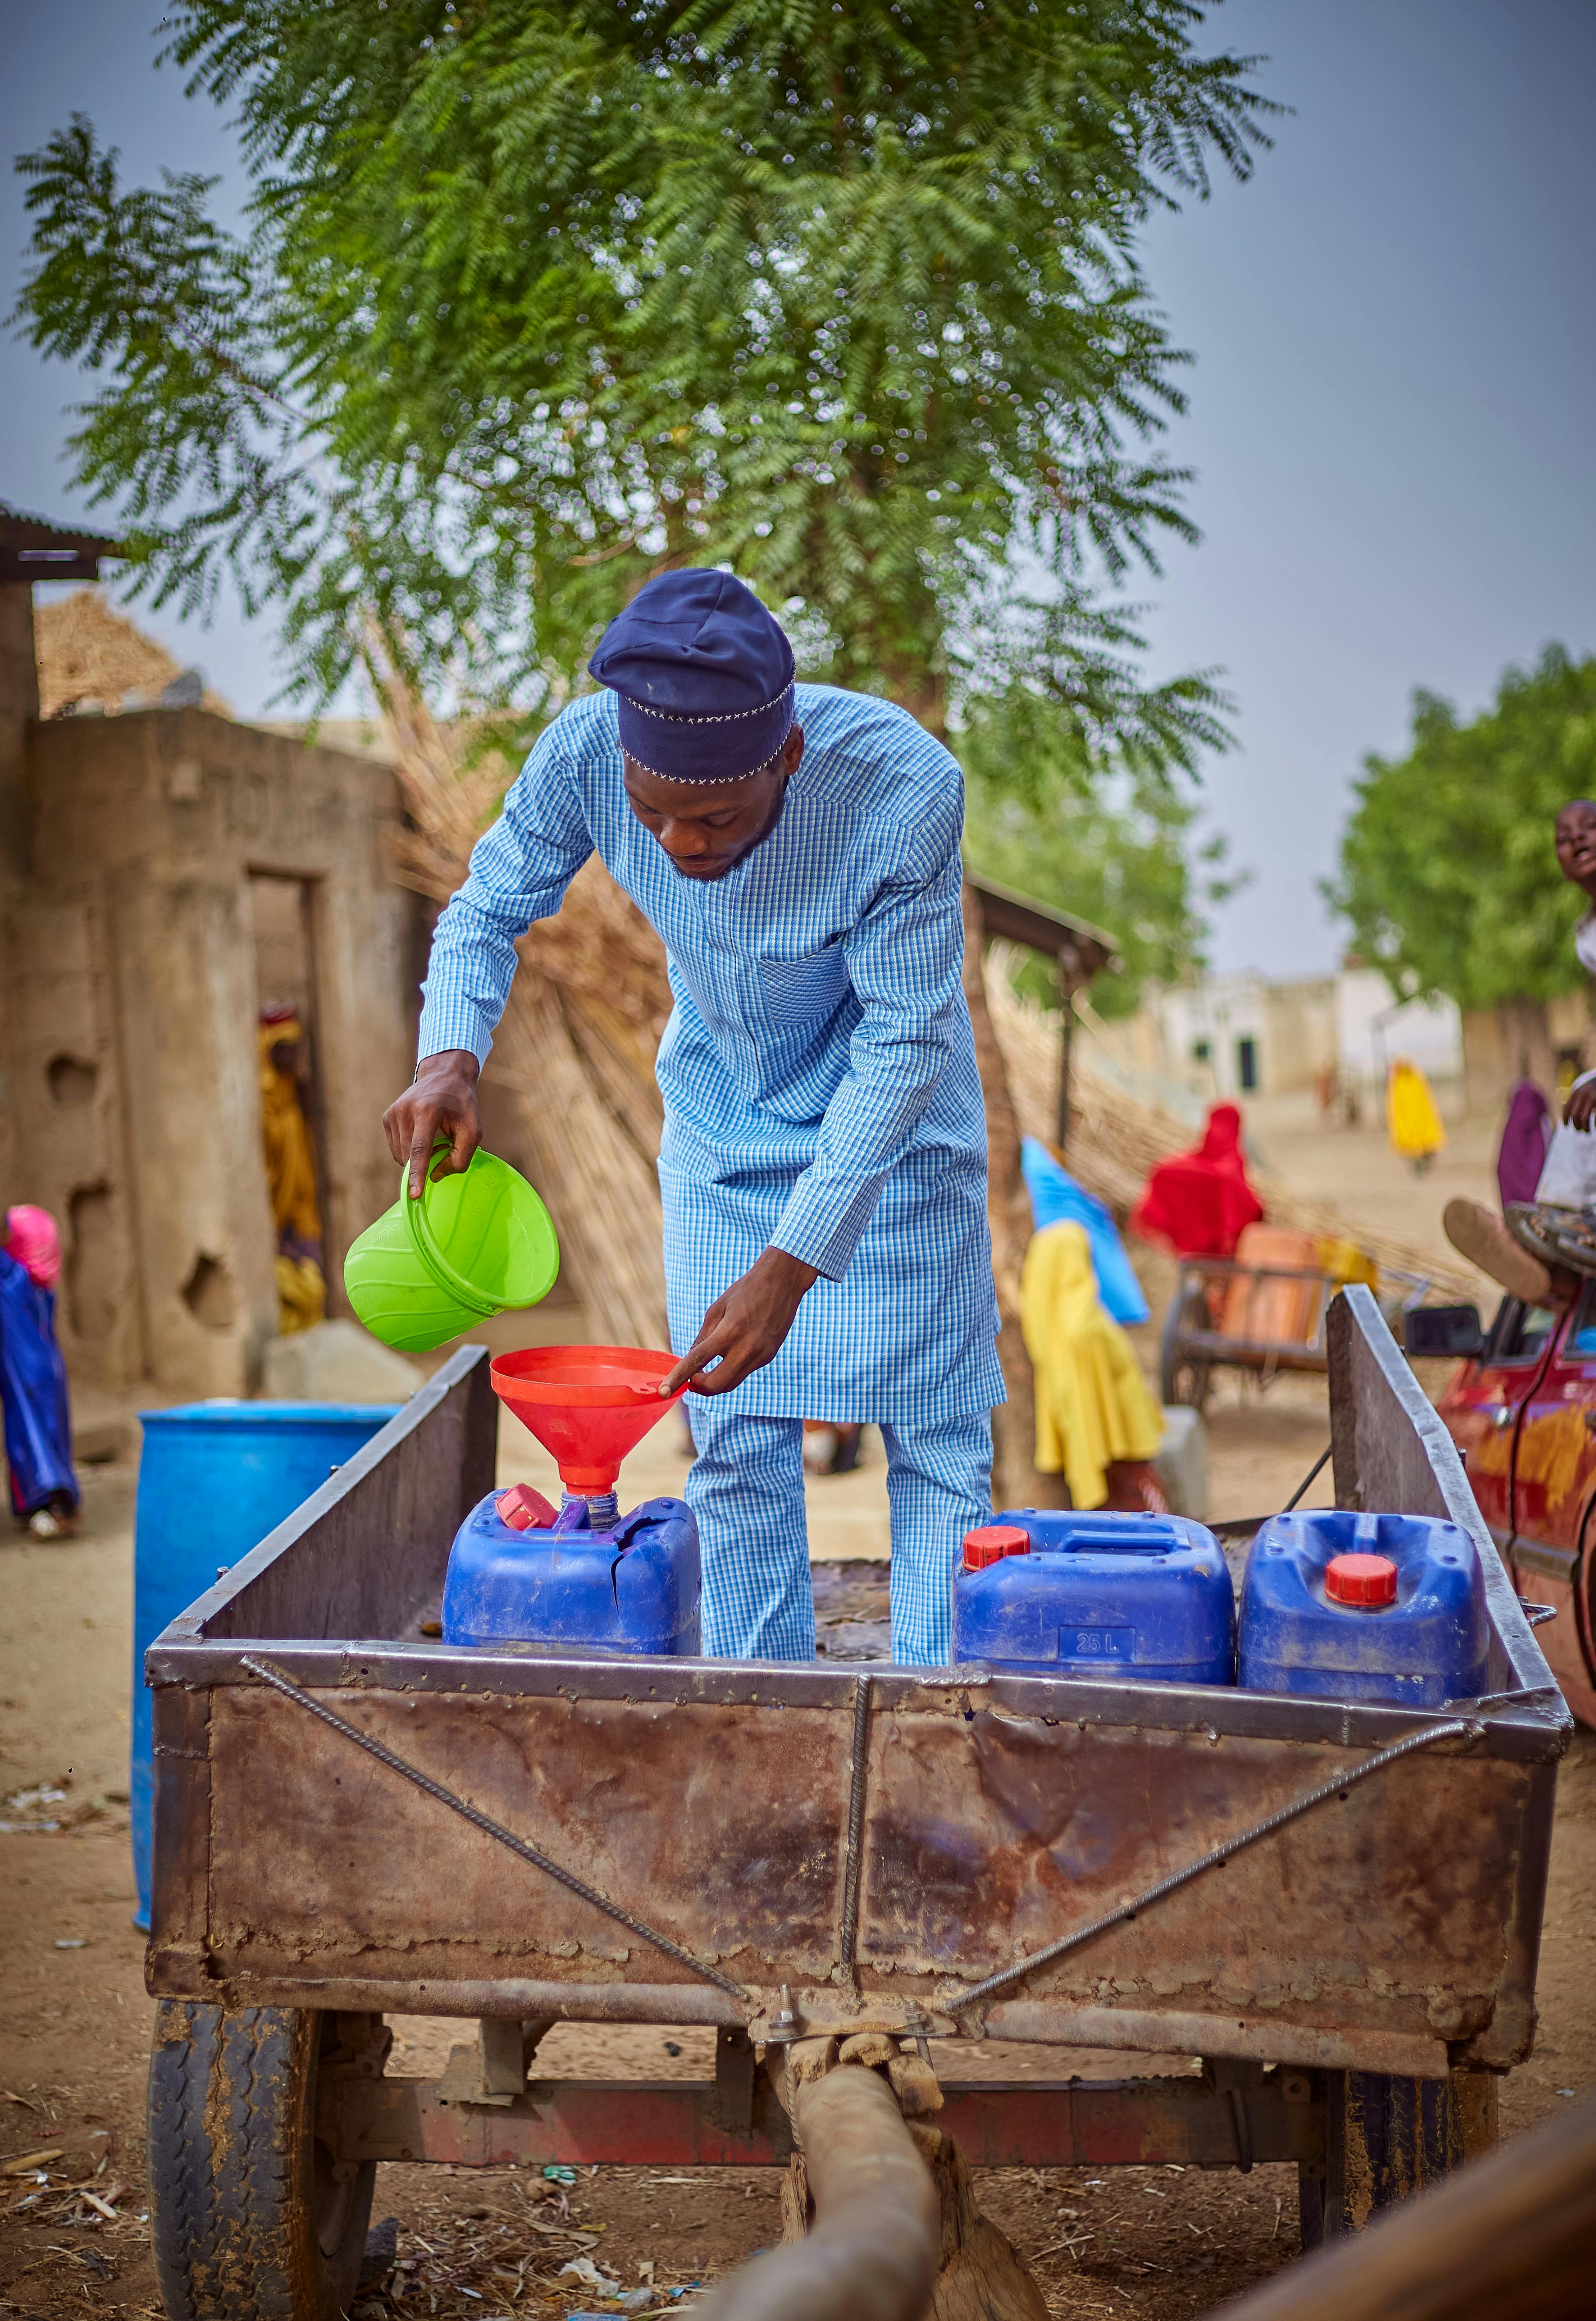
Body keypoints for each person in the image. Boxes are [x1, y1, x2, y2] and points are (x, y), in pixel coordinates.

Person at [382, 568, 1002, 1665]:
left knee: (936, 1434)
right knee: (734, 1439)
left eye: (717, 816)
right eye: (654, 811)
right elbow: (486, 905)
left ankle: (936, 1710)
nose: (680, 843)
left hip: (892, 1132)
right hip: (722, 1125)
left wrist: (795, 1260)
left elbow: (905, 1043)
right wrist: (450, 1056)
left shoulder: (902, 786)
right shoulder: (581, 754)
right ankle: (768, 1702)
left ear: (790, 760)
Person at [1020, 1220, 1167, 1514]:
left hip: (1106, 1446)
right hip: (1121, 1444)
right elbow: (1088, 1401)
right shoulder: (1084, 1325)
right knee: (1152, 1516)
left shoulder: (1049, 1324)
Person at [0, 1205, 79, 1539]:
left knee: (32, 1440)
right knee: (50, 1439)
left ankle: (52, 1507)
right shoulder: (39, 1284)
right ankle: (54, 1506)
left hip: (28, 1380)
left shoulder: (13, 1281)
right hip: (49, 1376)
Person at [258, 1007, 327, 1335]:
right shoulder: (266, 1094)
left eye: (295, 1047)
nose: (290, 1055)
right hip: (277, 1211)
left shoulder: (293, 1090)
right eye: (281, 1047)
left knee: (312, 1280)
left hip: (302, 1205)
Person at [1128, 1102, 1263, 1260]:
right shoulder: (1196, 1162)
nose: (1218, 1130)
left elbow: (1240, 1199)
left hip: (1221, 1253)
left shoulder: (1232, 1163)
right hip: (1196, 1251)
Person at [1386, 1057, 1445, 1175]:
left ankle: (1424, 1165)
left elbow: (1425, 1102)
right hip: (1406, 1123)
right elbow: (1395, 1106)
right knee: (1411, 1150)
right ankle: (1417, 1168)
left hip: (1420, 1121)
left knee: (1424, 1147)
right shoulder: (1397, 1082)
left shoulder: (1416, 1079)